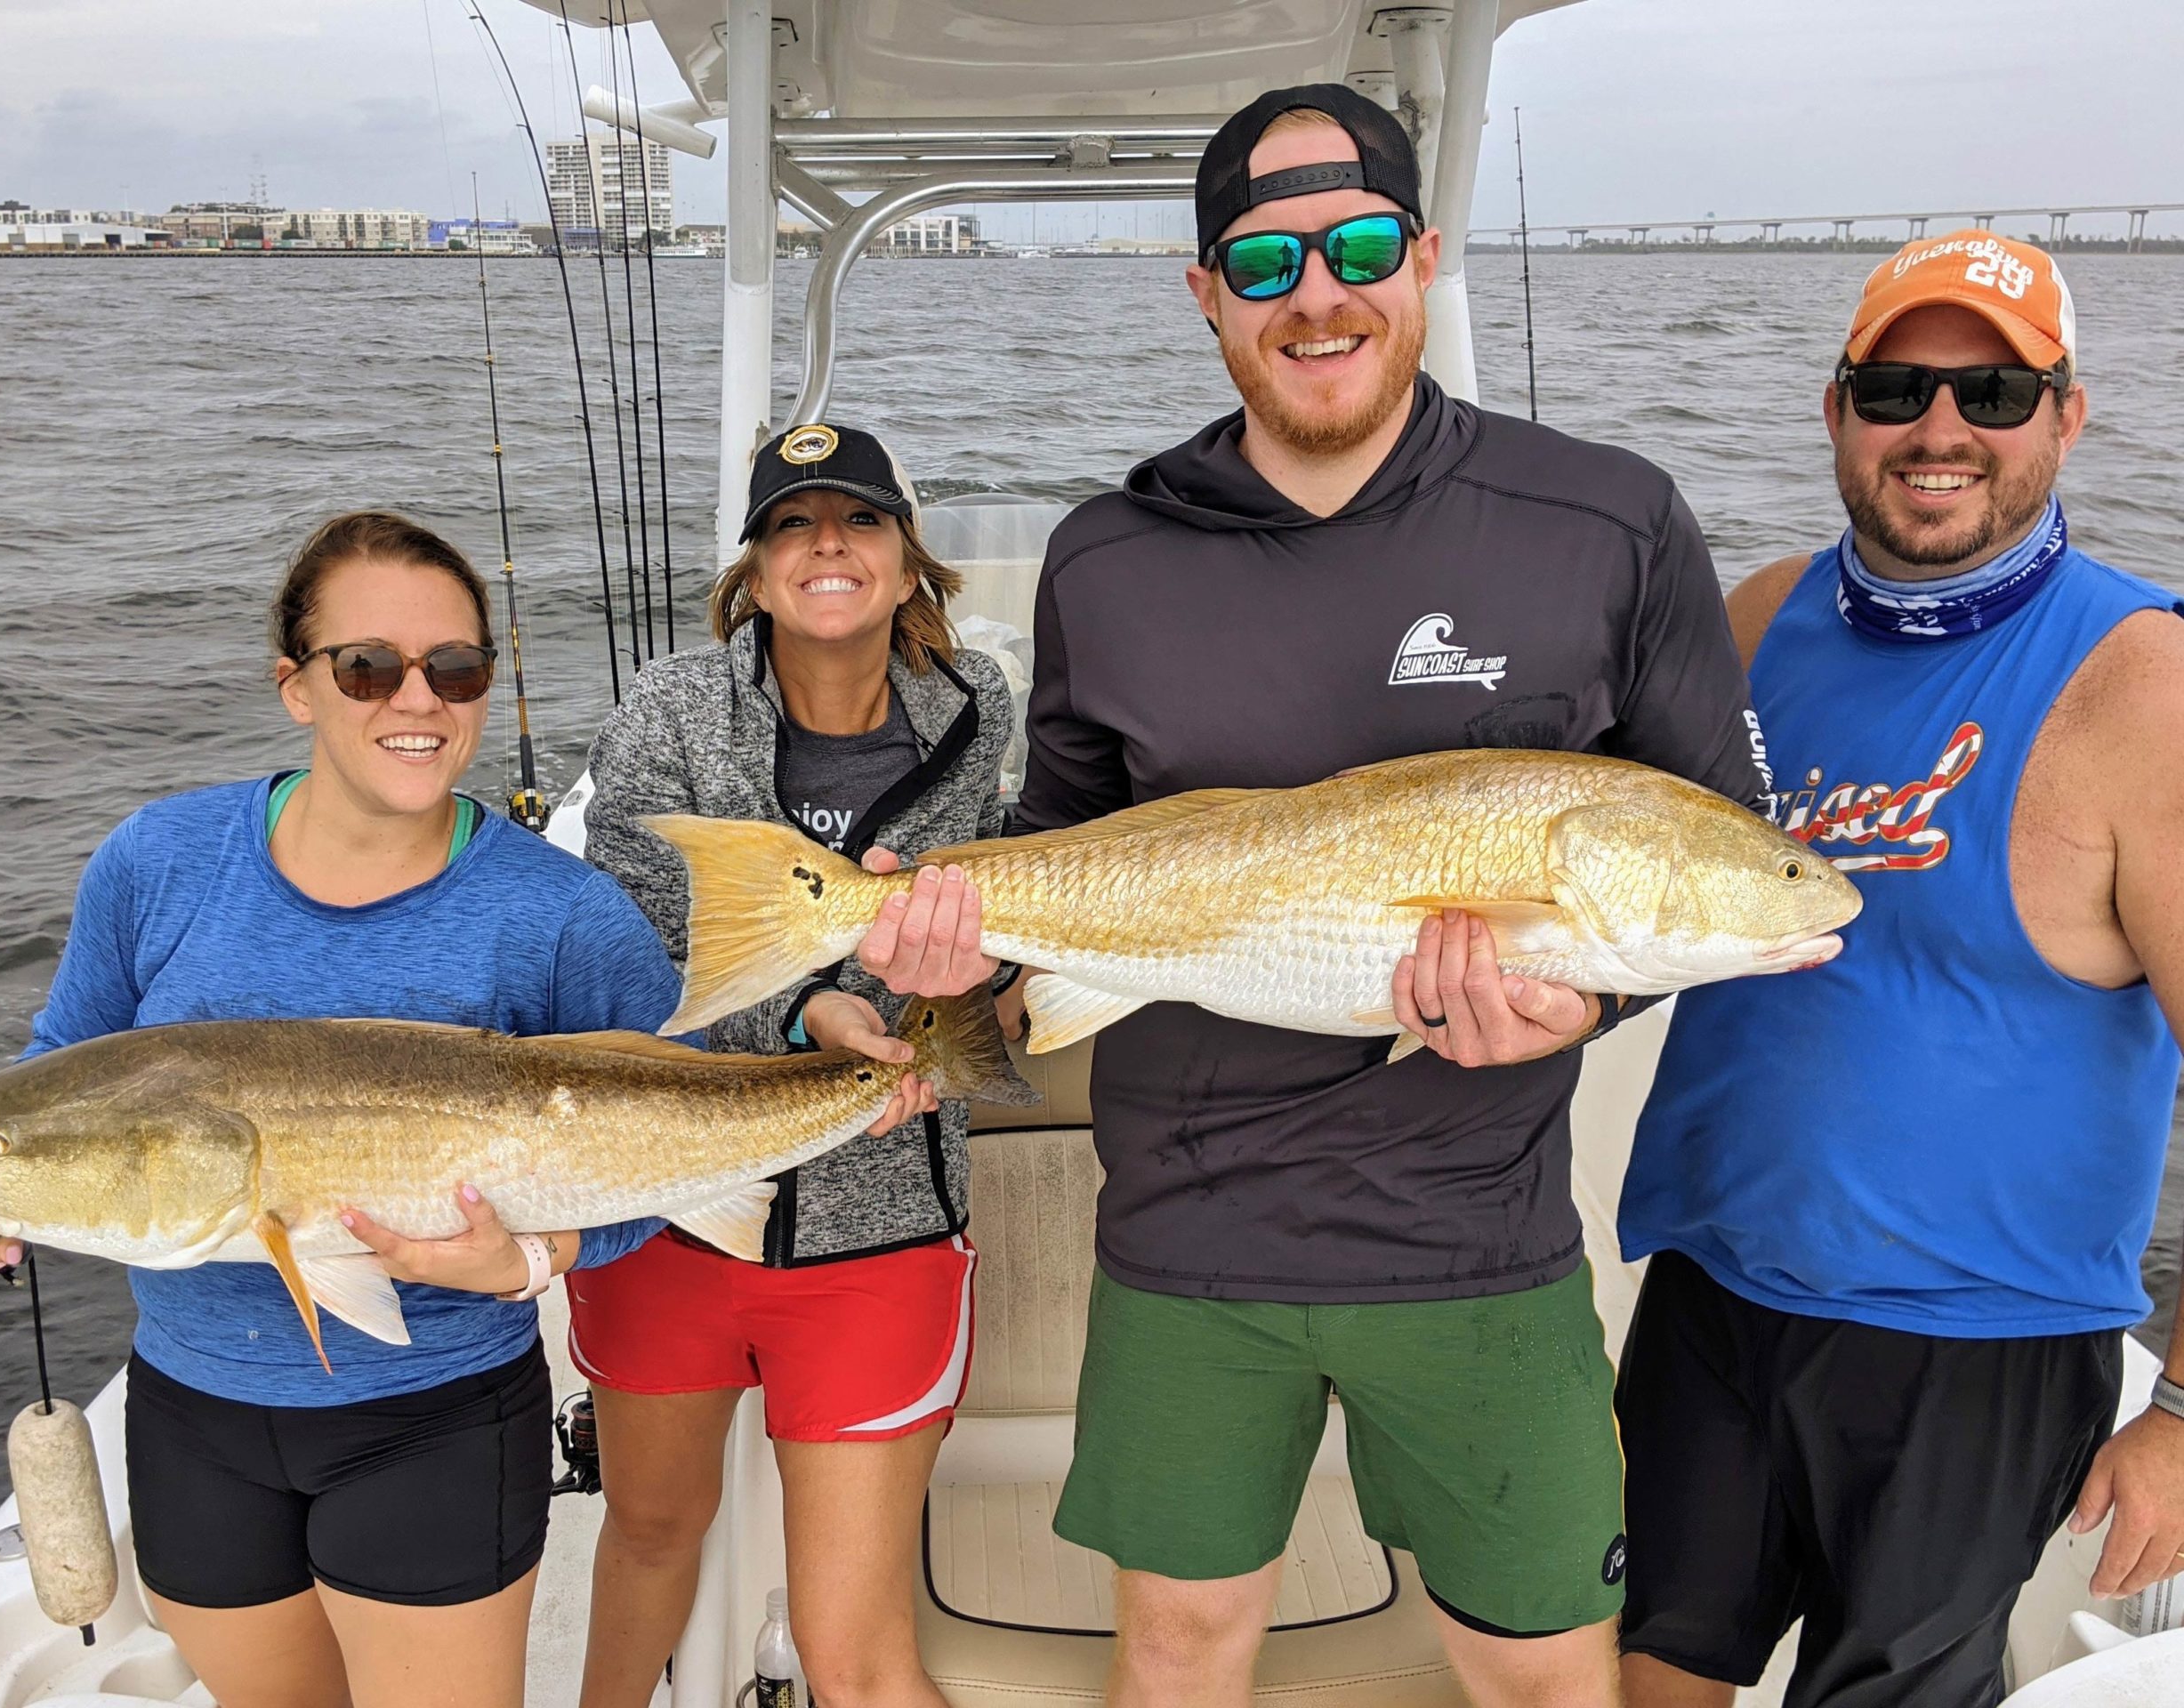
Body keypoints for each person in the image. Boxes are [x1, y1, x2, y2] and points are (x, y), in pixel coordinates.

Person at [846, 85, 1769, 1708]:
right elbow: (1066, 844)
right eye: (1266, 266)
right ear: (1208, 296)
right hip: (1190, 1232)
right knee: (1182, 1655)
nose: (1317, 297)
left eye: (1354, 249)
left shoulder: (1609, 518)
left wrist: (1595, 996)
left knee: (1551, 1671)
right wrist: (940, 961)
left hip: (1479, 1236)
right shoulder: (1106, 557)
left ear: (1419, 258)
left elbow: (1711, 849)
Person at [0, 511, 691, 1708]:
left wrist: (528, 1260)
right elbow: (59, 1067)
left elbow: (689, 1148)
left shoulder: (561, 917)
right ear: (296, 687)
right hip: (191, 1417)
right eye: (368, 667)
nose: (417, 699)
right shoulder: (158, 861)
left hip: (432, 1420)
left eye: (457, 667)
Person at [1616, 233, 2184, 1708]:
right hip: (1714, 1293)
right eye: (1897, 387)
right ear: (1836, 410)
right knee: (1635, 1680)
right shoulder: (1757, 618)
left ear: (2068, 415)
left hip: (1978, 1345)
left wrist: (2182, 1409)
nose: (1941, 432)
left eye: (1996, 393)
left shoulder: (2146, 687)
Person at [569, 422, 1012, 1708]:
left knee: (855, 1653)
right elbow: (631, 945)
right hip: (672, 1210)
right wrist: (809, 1010)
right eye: (792, 524)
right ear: (755, 574)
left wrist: (957, 1016)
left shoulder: (979, 713)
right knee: (651, 1531)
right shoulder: (667, 710)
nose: (828, 542)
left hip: (883, 1226)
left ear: (906, 560)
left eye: (860, 519)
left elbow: (998, 961)